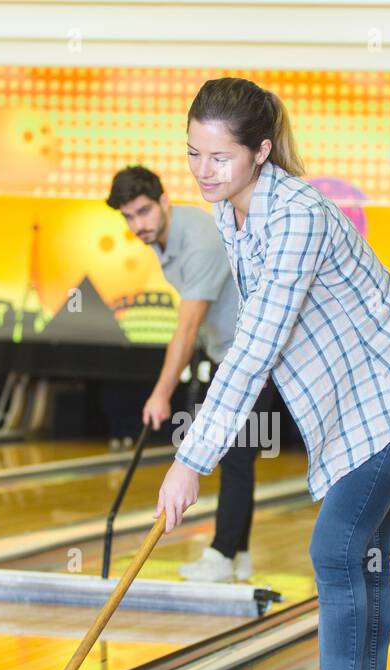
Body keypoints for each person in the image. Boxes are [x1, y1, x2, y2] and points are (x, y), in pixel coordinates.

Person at [156, 77, 390, 670]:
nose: (203, 170)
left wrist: (192, 457)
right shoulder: (230, 209)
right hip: (353, 404)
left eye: (219, 157)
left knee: (333, 551)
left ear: (261, 151)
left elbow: (256, 344)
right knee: (367, 563)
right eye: (193, 153)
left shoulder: (298, 218)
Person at [107, 165, 276, 583]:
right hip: (229, 351)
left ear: (164, 201)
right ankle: (236, 555)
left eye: (144, 212)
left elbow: (185, 327)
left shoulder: (198, 240)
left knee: (236, 454)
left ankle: (223, 554)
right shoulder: (163, 239)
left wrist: (161, 393)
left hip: (257, 351)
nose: (138, 225)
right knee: (237, 452)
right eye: (128, 217)